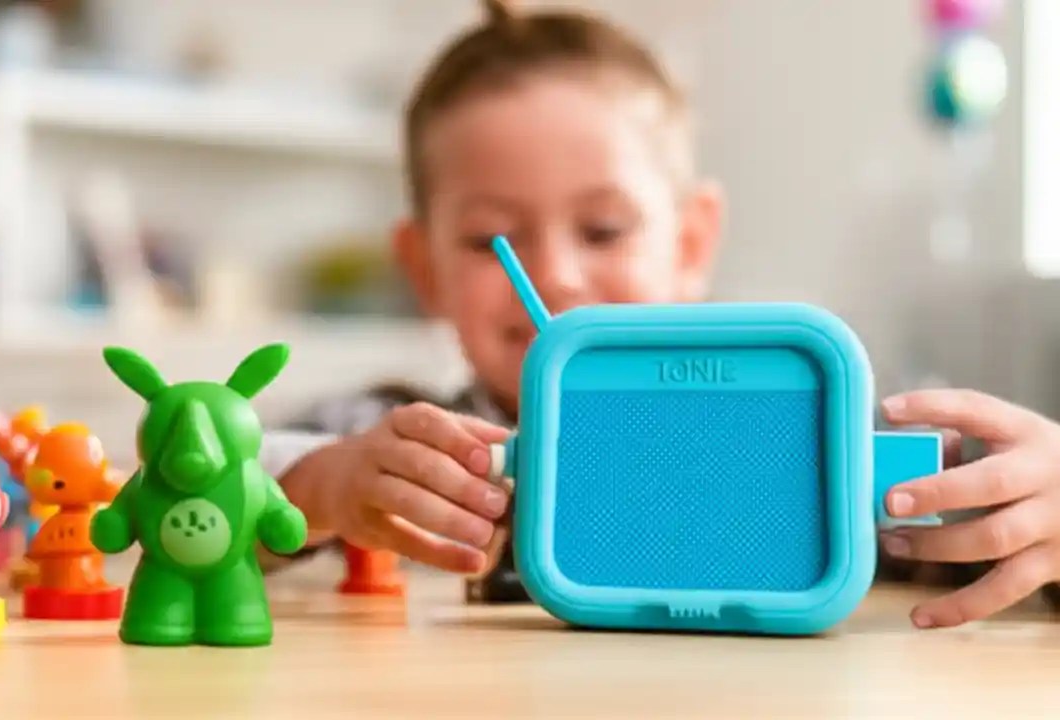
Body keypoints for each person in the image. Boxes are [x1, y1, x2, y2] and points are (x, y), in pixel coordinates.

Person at [261, 0, 1060, 628]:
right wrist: (322, 488)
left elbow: (986, 548)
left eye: (604, 230)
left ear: (690, 242)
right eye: (490, 240)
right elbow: (182, 500)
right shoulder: (394, 438)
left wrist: (1039, 508)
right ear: (423, 269)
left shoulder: (818, 432)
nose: (558, 275)